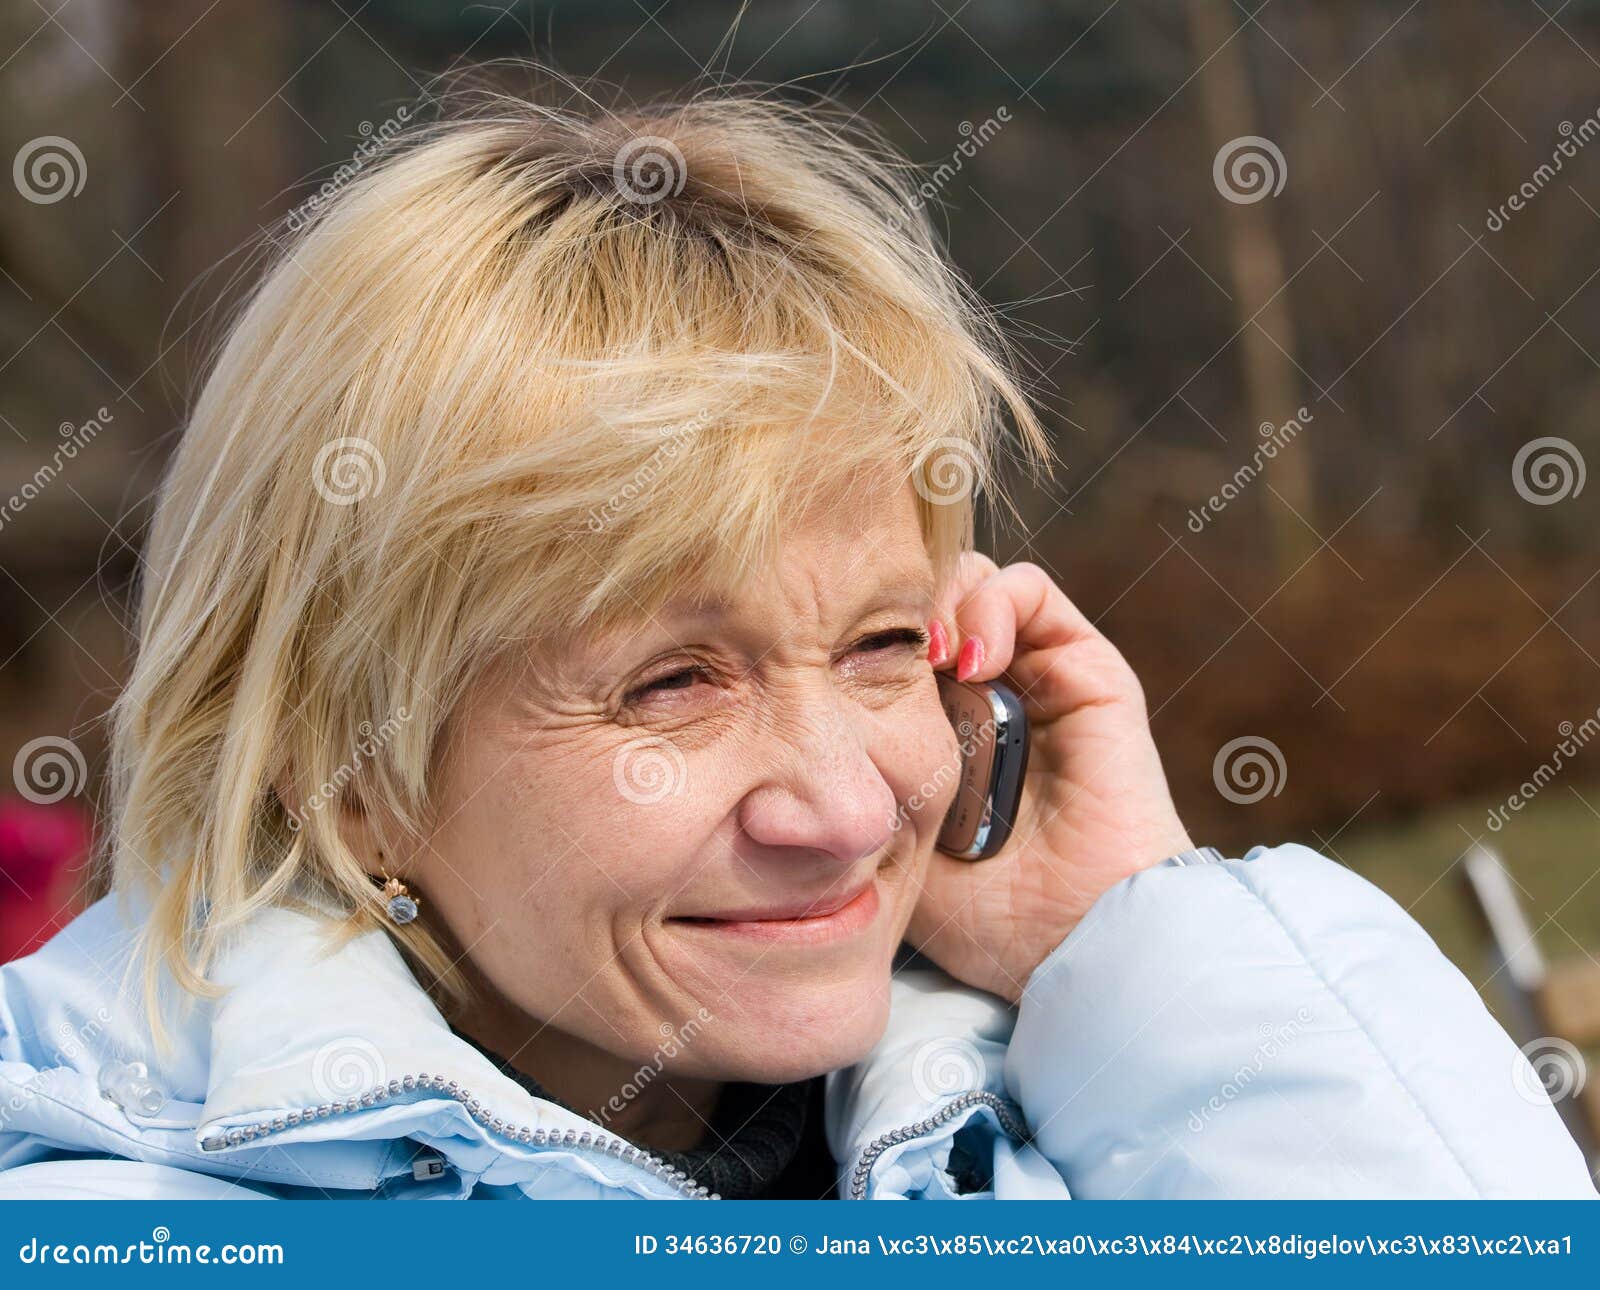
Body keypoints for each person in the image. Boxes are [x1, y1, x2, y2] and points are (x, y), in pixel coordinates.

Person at [0, 81, 1593, 1201]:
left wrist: (1125, 930)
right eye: (671, 679)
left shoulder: (1076, 1108)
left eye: (886, 641)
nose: (843, 806)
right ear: (348, 772)